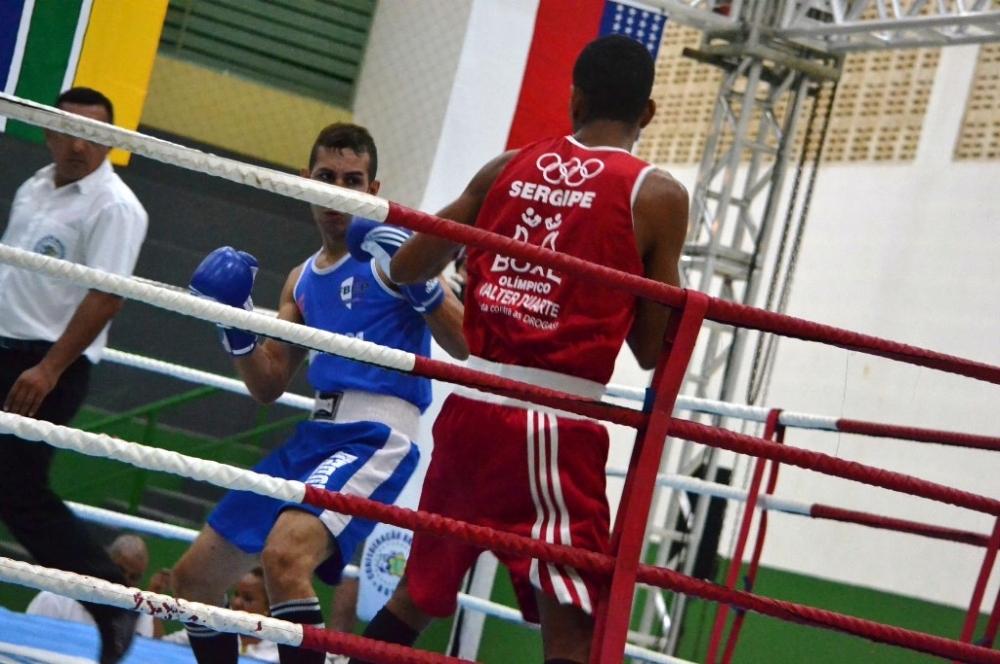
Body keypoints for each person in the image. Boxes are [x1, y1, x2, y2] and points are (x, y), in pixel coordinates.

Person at [347, 35, 689, 664]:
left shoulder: (506, 166)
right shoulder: (657, 195)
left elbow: (406, 266)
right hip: (553, 423)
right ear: (648, 114)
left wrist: (493, 266)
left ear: (575, 99)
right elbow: (653, 349)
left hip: (471, 408)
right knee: (573, 624)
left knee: (416, 596)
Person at [169, 122, 467, 664]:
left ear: (373, 191)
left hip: (375, 437)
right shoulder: (300, 279)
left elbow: (464, 339)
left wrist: (422, 282)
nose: (337, 190)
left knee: (285, 558)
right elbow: (268, 383)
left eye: (352, 180)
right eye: (327, 177)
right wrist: (235, 325)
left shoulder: (397, 257)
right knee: (193, 582)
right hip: (314, 435)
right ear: (306, 181)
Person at [0, 86, 149, 664]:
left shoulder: (115, 205)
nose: (82, 143)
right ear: (50, 131)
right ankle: (109, 600)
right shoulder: (34, 186)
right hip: (7, 350)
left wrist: (49, 367)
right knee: (15, 489)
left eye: (96, 134)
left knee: (18, 489)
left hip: (48, 363)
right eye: (71, 129)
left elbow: (106, 298)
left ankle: (110, 598)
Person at [26, 534, 166, 639]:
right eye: (120, 570)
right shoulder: (55, 599)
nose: (124, 580)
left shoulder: (141, 616)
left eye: (133, 577)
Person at [164, 568, 281, 662]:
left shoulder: (281, 650)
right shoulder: (211, 631)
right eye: (236, 594)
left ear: (268, 608)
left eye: (248, 598)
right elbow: (158, 646)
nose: (236, 602)